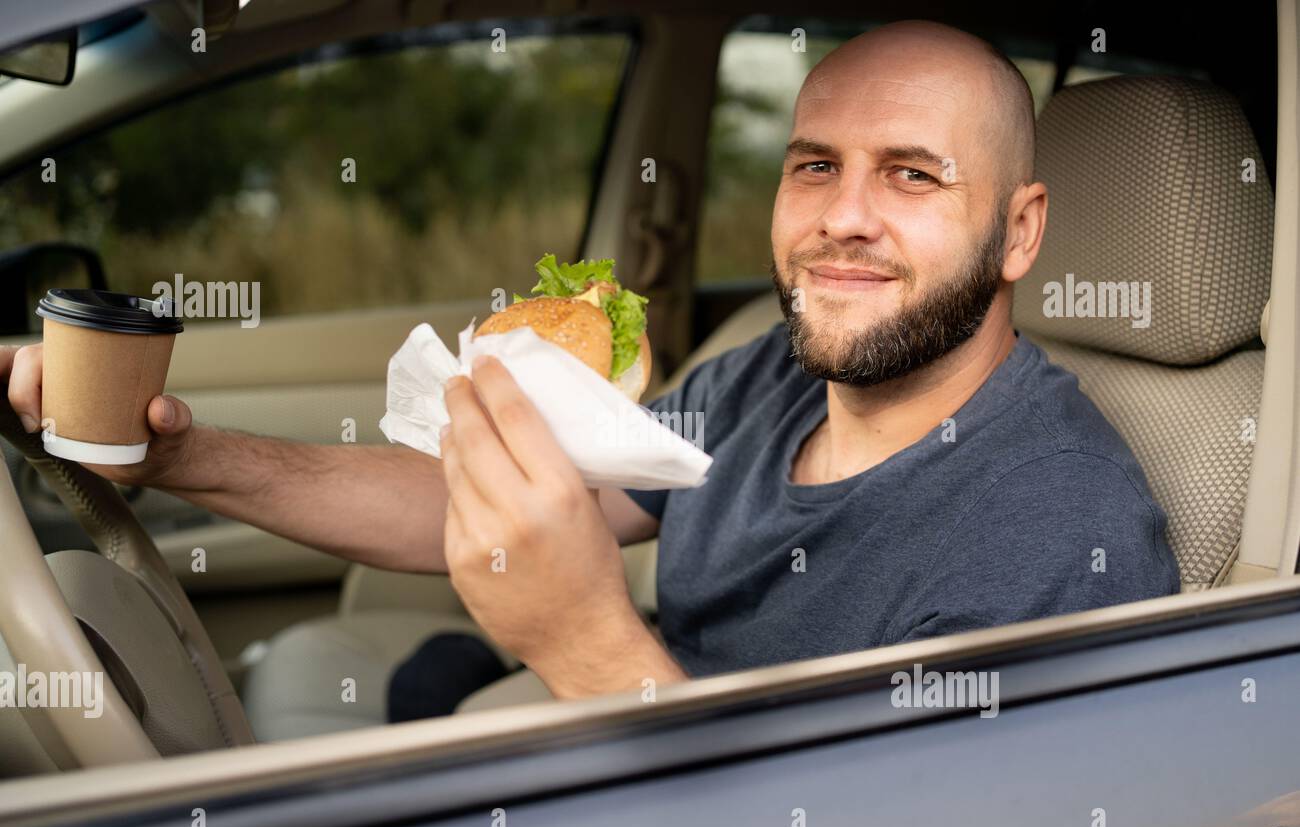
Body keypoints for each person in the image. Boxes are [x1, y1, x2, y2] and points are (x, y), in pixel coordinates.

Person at [1, 20, 1178, 717]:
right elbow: (475, 495)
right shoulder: (773, 375)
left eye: (912, 175)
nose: (843, 218)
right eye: (814, 165)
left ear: (1021, 232)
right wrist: (186, 454)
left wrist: (581, 639)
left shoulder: (1059, 530)